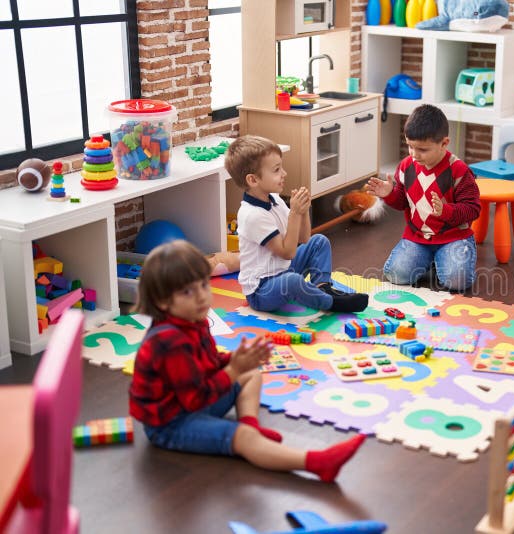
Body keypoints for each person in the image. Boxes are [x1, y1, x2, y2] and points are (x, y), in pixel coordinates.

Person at [129, 240, 365, 482]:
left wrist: (235, 360)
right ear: (162, 301)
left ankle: (251, 426)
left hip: (190, 402)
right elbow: (195, 398)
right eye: (188, 291)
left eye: (203, 285)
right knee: (241, 438)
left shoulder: (193, 320)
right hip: (171, 423)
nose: (201, 296)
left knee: (251, 374)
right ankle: (316, 463)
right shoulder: (169, 341)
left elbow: (207, 362)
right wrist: (233, 370)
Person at [226, 135, 368, 314]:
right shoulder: (252, 215)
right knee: (293, 281)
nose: (284, 173)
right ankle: (330, 303)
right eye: (277, 170)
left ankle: (323, 286)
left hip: (283, 270)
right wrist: (294, 213)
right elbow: (288, 252)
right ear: (253, 180)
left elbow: (304, 238)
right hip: (262, 290)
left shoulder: (274, 200)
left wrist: (303, 211)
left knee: (318, 241)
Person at [366, 104, 481, 291]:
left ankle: (440, 261)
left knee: (457, 282)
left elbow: (473, 210)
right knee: (396, 274)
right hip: (418, 237)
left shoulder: (459, 171)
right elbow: (403, 201)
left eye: (422, 149)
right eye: (410, 146)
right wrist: (389, 194)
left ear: (444, 143)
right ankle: (431, 262)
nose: (414, 154)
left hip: (454, 238)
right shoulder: (406, 166)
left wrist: (446, 211)